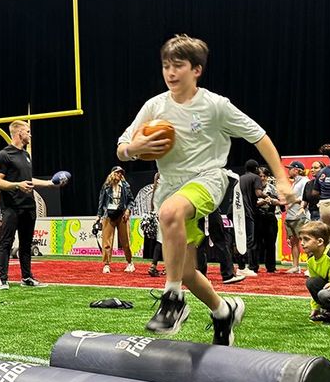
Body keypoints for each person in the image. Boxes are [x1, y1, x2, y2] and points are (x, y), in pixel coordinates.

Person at [116, 34, 294, 346]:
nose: (170, 72)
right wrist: (135, 148)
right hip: (169, 186)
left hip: (207, 179)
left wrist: (282, 179)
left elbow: (259, 136)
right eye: (165, 66)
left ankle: (173, 302)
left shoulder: (215, 106)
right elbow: (121, 147)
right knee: (186, 271)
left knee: (171, 213)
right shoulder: (154, 106)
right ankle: (223, 310)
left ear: (196, 69)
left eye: (178, 66)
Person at [0, 120, 56, 289]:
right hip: (11, 207)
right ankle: (2, 279)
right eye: (28, 131)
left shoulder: (26, 155)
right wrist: (16, 185)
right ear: (19, 133)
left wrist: (49, 183)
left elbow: (28, 180)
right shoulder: (4, 155)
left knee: (26, 244)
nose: (30, 134)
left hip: (29, 206)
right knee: (6, 243)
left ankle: (26, 277)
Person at [95, 166, 135, 274]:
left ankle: (130, 263)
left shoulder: (125, 186)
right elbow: (101, 201)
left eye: (121, 173)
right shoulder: (106, 186)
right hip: (109, 215)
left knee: (125, 241)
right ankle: (106, 264)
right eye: (117, 172)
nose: (120, 174)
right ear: (112, 174)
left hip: (122, 215)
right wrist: (99, 215)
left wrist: (128, 210)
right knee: (107, 242)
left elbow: (131, 200)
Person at [252, 165, 280, 274]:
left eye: (264, 176)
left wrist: (271, 201)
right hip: (257, 216)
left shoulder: (273, 188)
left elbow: (280, 202)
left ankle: (271, 267)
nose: (262, 178)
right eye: (260, 176)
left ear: (268, 177)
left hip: (270, 216)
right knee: (256, 242)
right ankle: (254, 266)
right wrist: (262, 202)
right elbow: (251, 203)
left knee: (271, 243)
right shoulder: (253, 188)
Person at [283, 161, 309, 274]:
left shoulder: (305, 181)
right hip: (290, 216)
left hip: (300, 216)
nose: (288, 170)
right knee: (293, 241)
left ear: (297, 170)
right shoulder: (295, 183)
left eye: (290, 168)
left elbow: (304, 198)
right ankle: (295, 266)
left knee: (307, 241)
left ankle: (310, 267)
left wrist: (291, 201)